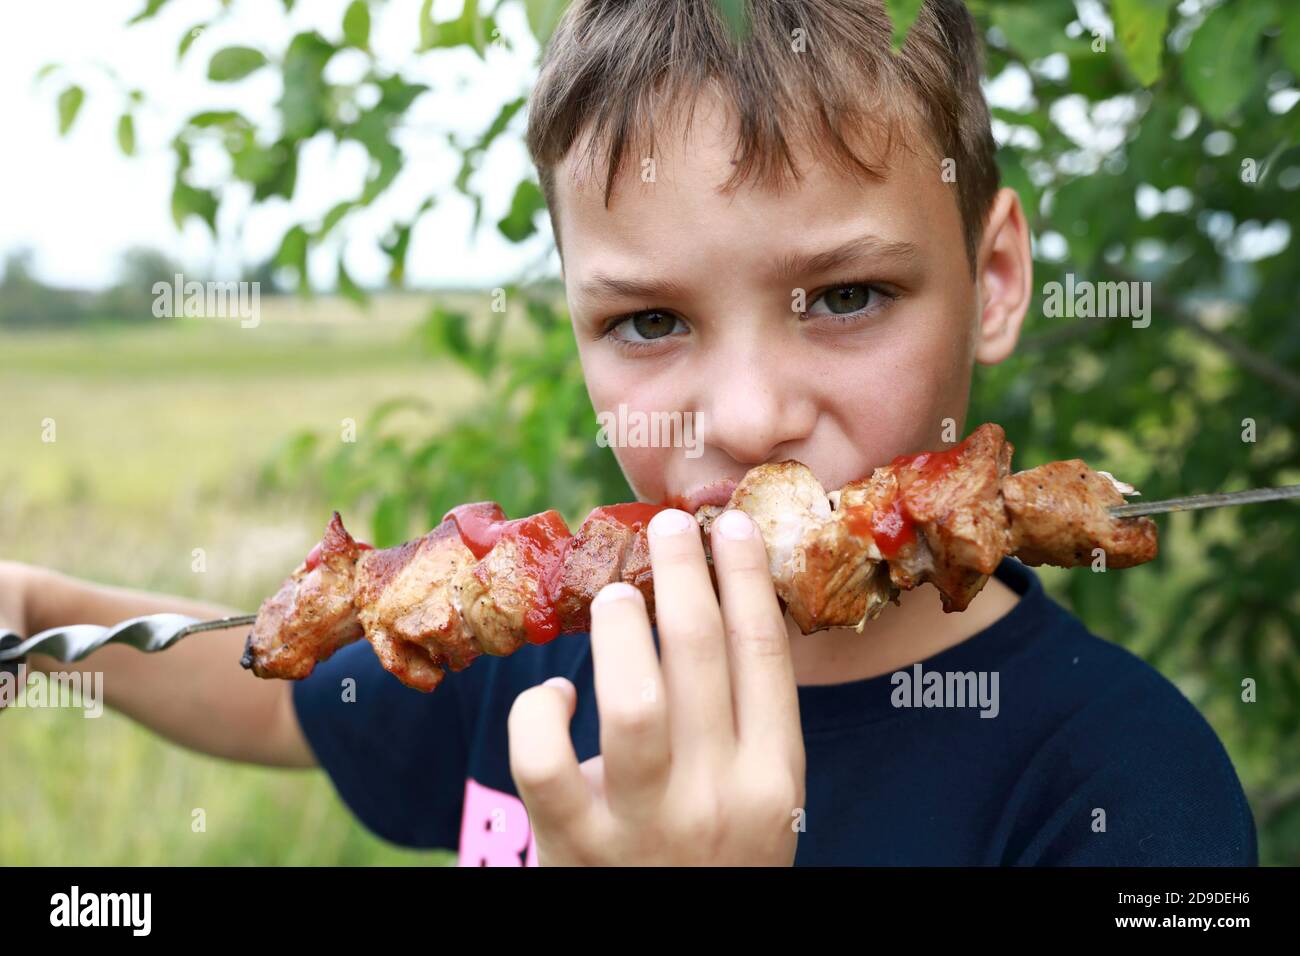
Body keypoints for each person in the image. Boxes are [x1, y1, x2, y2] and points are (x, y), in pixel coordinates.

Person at [1, 0, 1256, 865]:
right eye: (650, 319)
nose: (751, 415)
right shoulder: (538, 653)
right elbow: (289, 706)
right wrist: (38, 613)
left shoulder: (1122, 790)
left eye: (846, 296)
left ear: (990, 280)